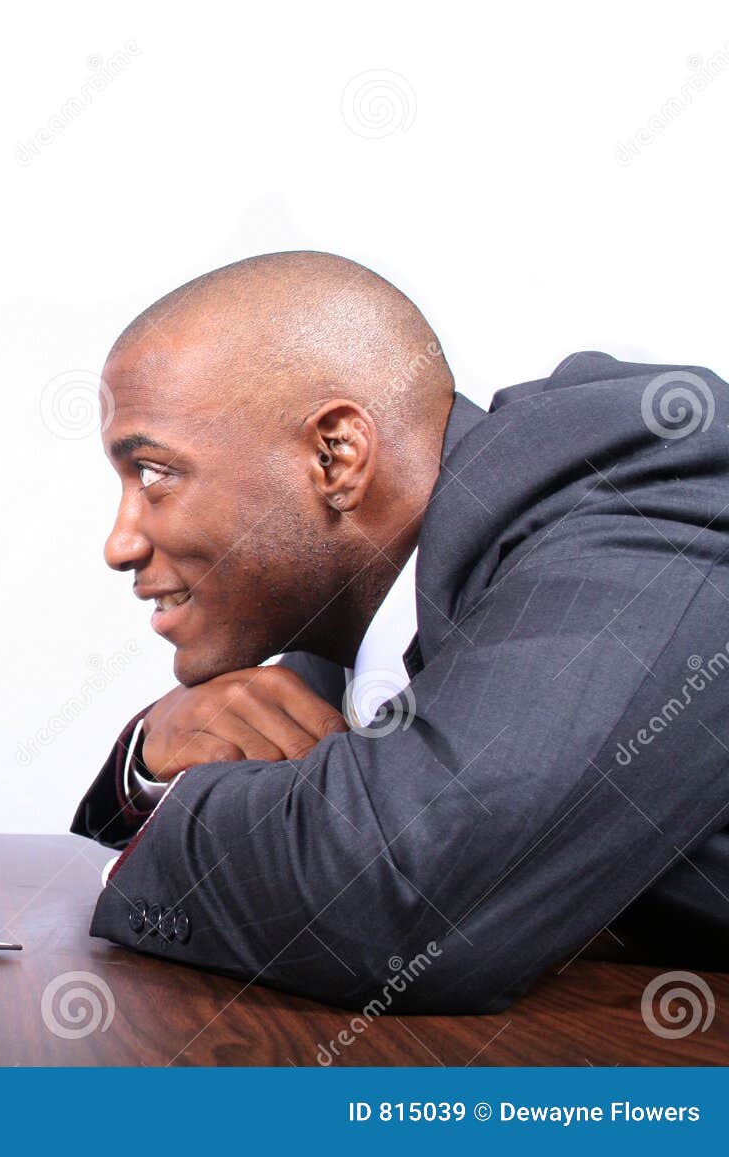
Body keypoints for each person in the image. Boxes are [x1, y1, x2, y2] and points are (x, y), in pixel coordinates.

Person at [72, 250, 729, 1013]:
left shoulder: (639, 493)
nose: (119, 542)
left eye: (154, 475)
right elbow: (343, 839)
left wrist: (207, 819)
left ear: (335, 457)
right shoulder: (363, 620)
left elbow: (392, 895)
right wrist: (153, 760)